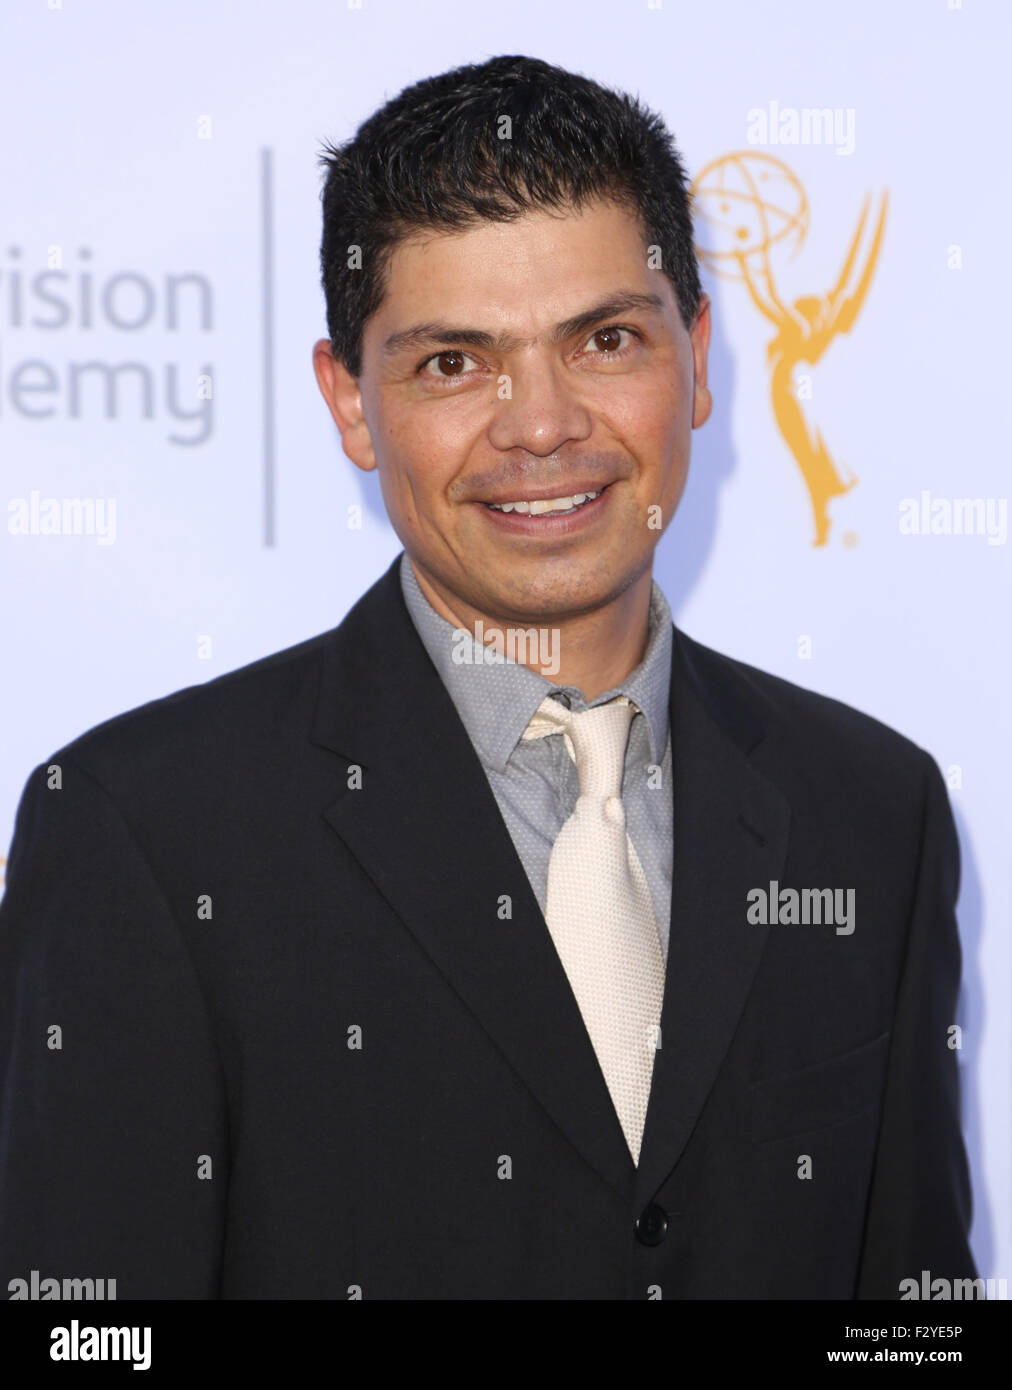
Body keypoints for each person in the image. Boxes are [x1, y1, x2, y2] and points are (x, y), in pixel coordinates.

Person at [0, 55, 974, 1299]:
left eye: (605, 339)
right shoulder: (140, 829)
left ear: (699, 354)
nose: (541, 423)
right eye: (454, 363)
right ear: (350, 401)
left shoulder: (872, 807)